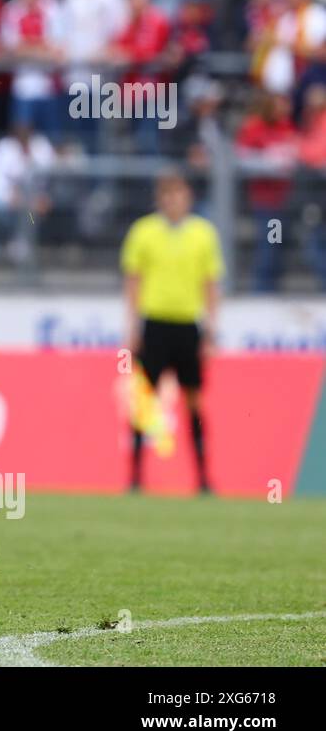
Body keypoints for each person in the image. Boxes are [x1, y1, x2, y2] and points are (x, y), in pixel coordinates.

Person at [121, 169, 224, 494]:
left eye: (178, 194)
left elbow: (211, 284)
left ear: (188, 198)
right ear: (159, 199)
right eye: (167, 195)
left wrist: (210, 330)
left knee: (193, 400)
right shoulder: (143, 232)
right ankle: (136, 477)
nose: (173, 201)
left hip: (187, 326)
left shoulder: (203, 234)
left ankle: (203, 478)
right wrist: (133, 327)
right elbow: (133, 282)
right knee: (144, 400)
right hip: (155, 325)